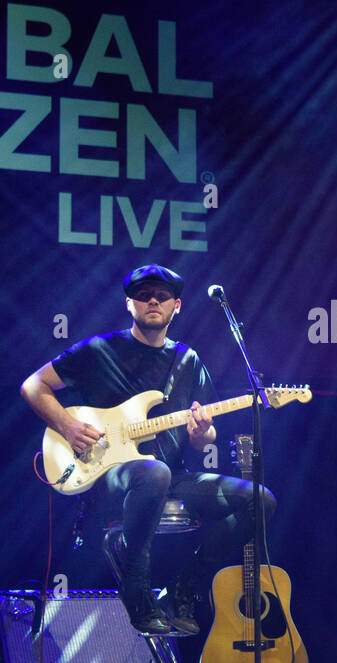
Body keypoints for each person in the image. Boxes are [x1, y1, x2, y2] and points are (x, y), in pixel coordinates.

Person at [20, 263, 275, 635]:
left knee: (261, 500)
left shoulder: (187, 360)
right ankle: (137, 590)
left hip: (168, 474)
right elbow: (33, 385)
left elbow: (205, 436)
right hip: (109, 474)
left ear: (177, 306)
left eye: (162, 296)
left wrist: (202, 431)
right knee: (154, 473)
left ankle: (186, 586)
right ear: (129, 305)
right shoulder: (99, 350)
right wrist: (68, 425)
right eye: (143, 295)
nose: (153, 300)